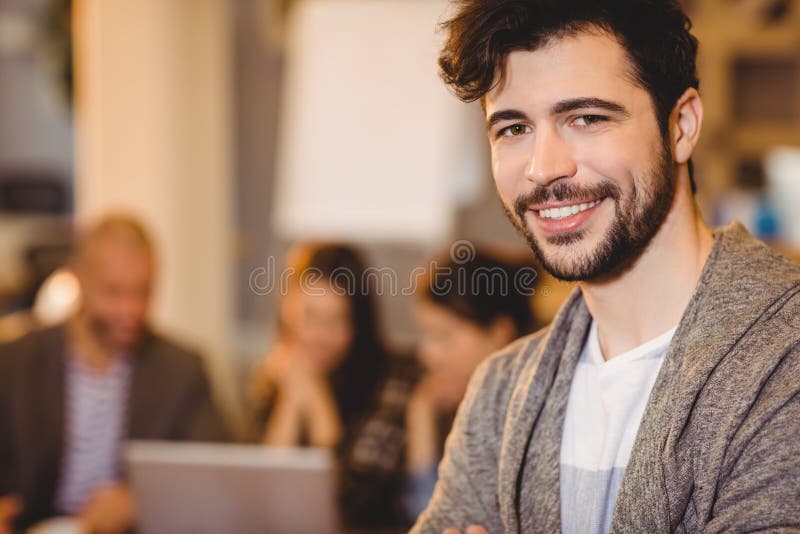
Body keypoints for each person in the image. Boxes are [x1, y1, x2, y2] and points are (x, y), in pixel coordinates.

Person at [412, 1, 800, 533]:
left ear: (682, 125)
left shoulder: (785, 362)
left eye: (586, 118)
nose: (544, 169)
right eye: (513, 129)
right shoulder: (500, 393)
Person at [0, 215, 228, 533]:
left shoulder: (181, 370)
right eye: (114, 292)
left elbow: (214, 475)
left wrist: (140, 501)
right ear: (79, 278)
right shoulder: (16, 361)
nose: (130, 310)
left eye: (143, 292)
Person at [339, 248, 535, 529]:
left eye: (443, 336)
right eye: (425, 334)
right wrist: (421, 413)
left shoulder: (523, 412)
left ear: (499, 332)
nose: (428, 354)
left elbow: (441, 519)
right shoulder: (439, 397)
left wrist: (420, 416)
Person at [248, 243, 390, 450]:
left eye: (337, 320)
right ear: (286, 310)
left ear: (358, 323)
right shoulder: (270, 379)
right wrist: (291, 401)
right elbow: (267, 476)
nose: (320, 336)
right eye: (310, 316)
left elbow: (340, 480)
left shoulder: (390, 384)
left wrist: (316, 401)